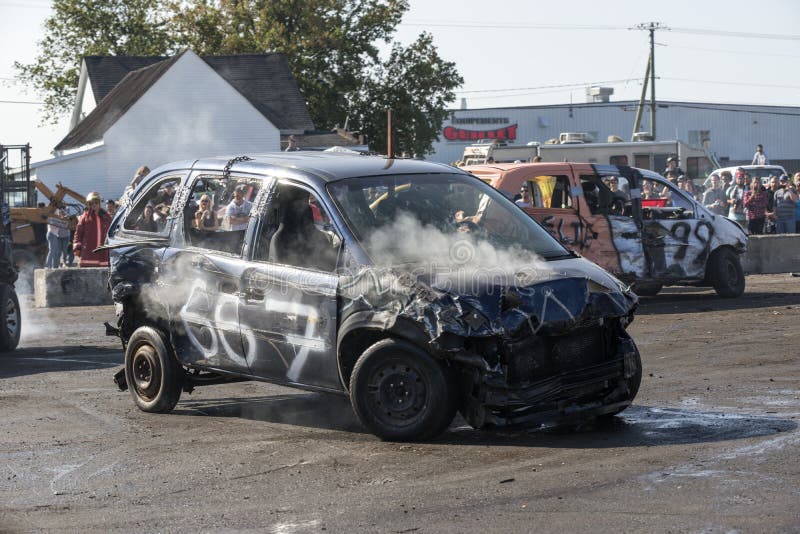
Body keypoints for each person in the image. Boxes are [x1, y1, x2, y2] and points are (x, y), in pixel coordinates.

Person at [73, 192, 112, 267]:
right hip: (88, 252)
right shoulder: (85, 217)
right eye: (91, 203)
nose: (94, 205)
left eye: (96, 202)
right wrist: (77, 246)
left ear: (100, 203)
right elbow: (78, 233)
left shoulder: (106, 217)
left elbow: (112, 232)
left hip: (103, 254)